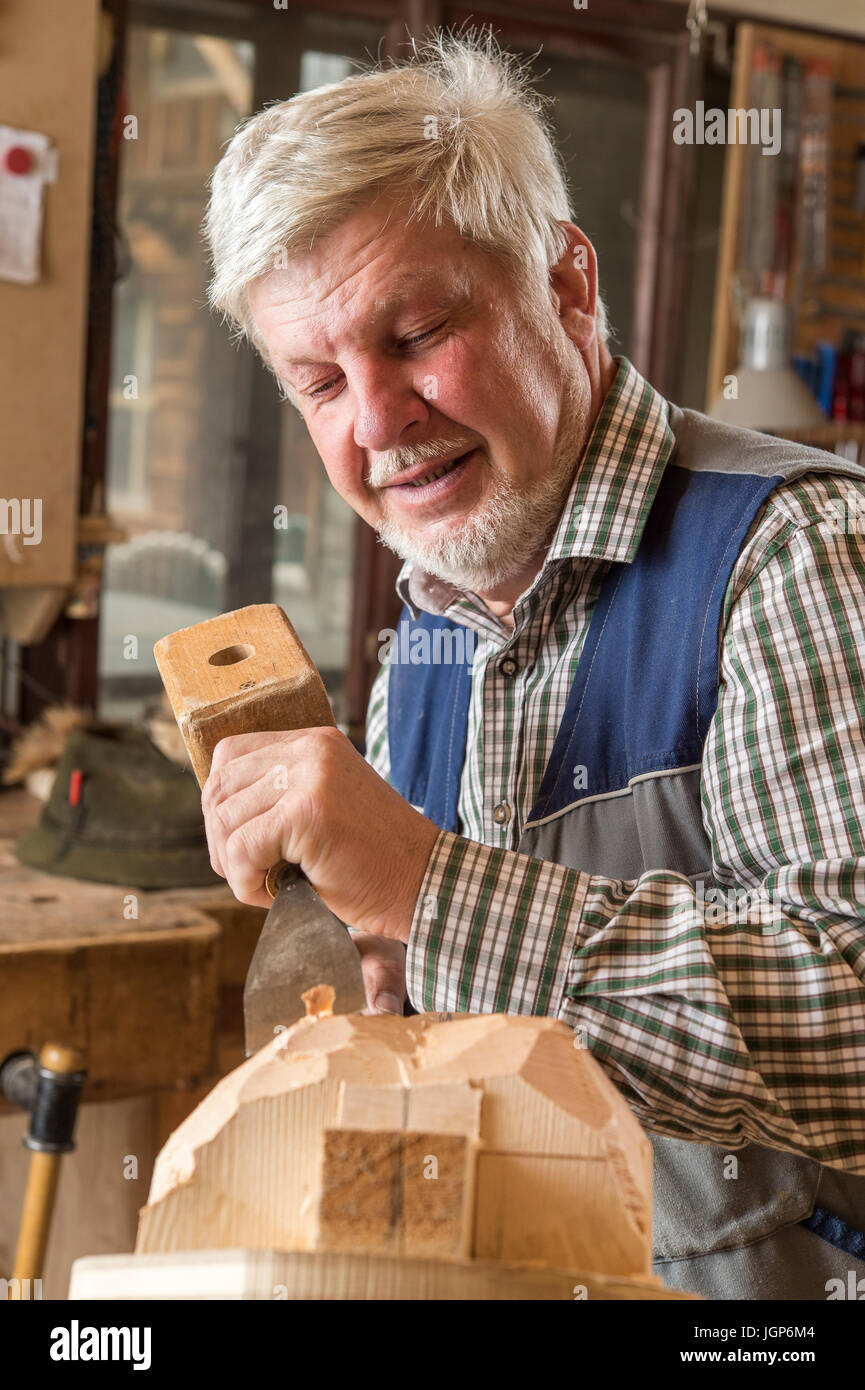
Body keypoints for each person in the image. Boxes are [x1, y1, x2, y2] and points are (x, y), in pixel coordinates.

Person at [199, 32, 865, 1299]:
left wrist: (430, 891)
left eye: (416, 333)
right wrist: (387, 980)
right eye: (319, 380)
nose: (377, 421)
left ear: (566, 284)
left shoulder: (797, 554)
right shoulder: (432, 632)